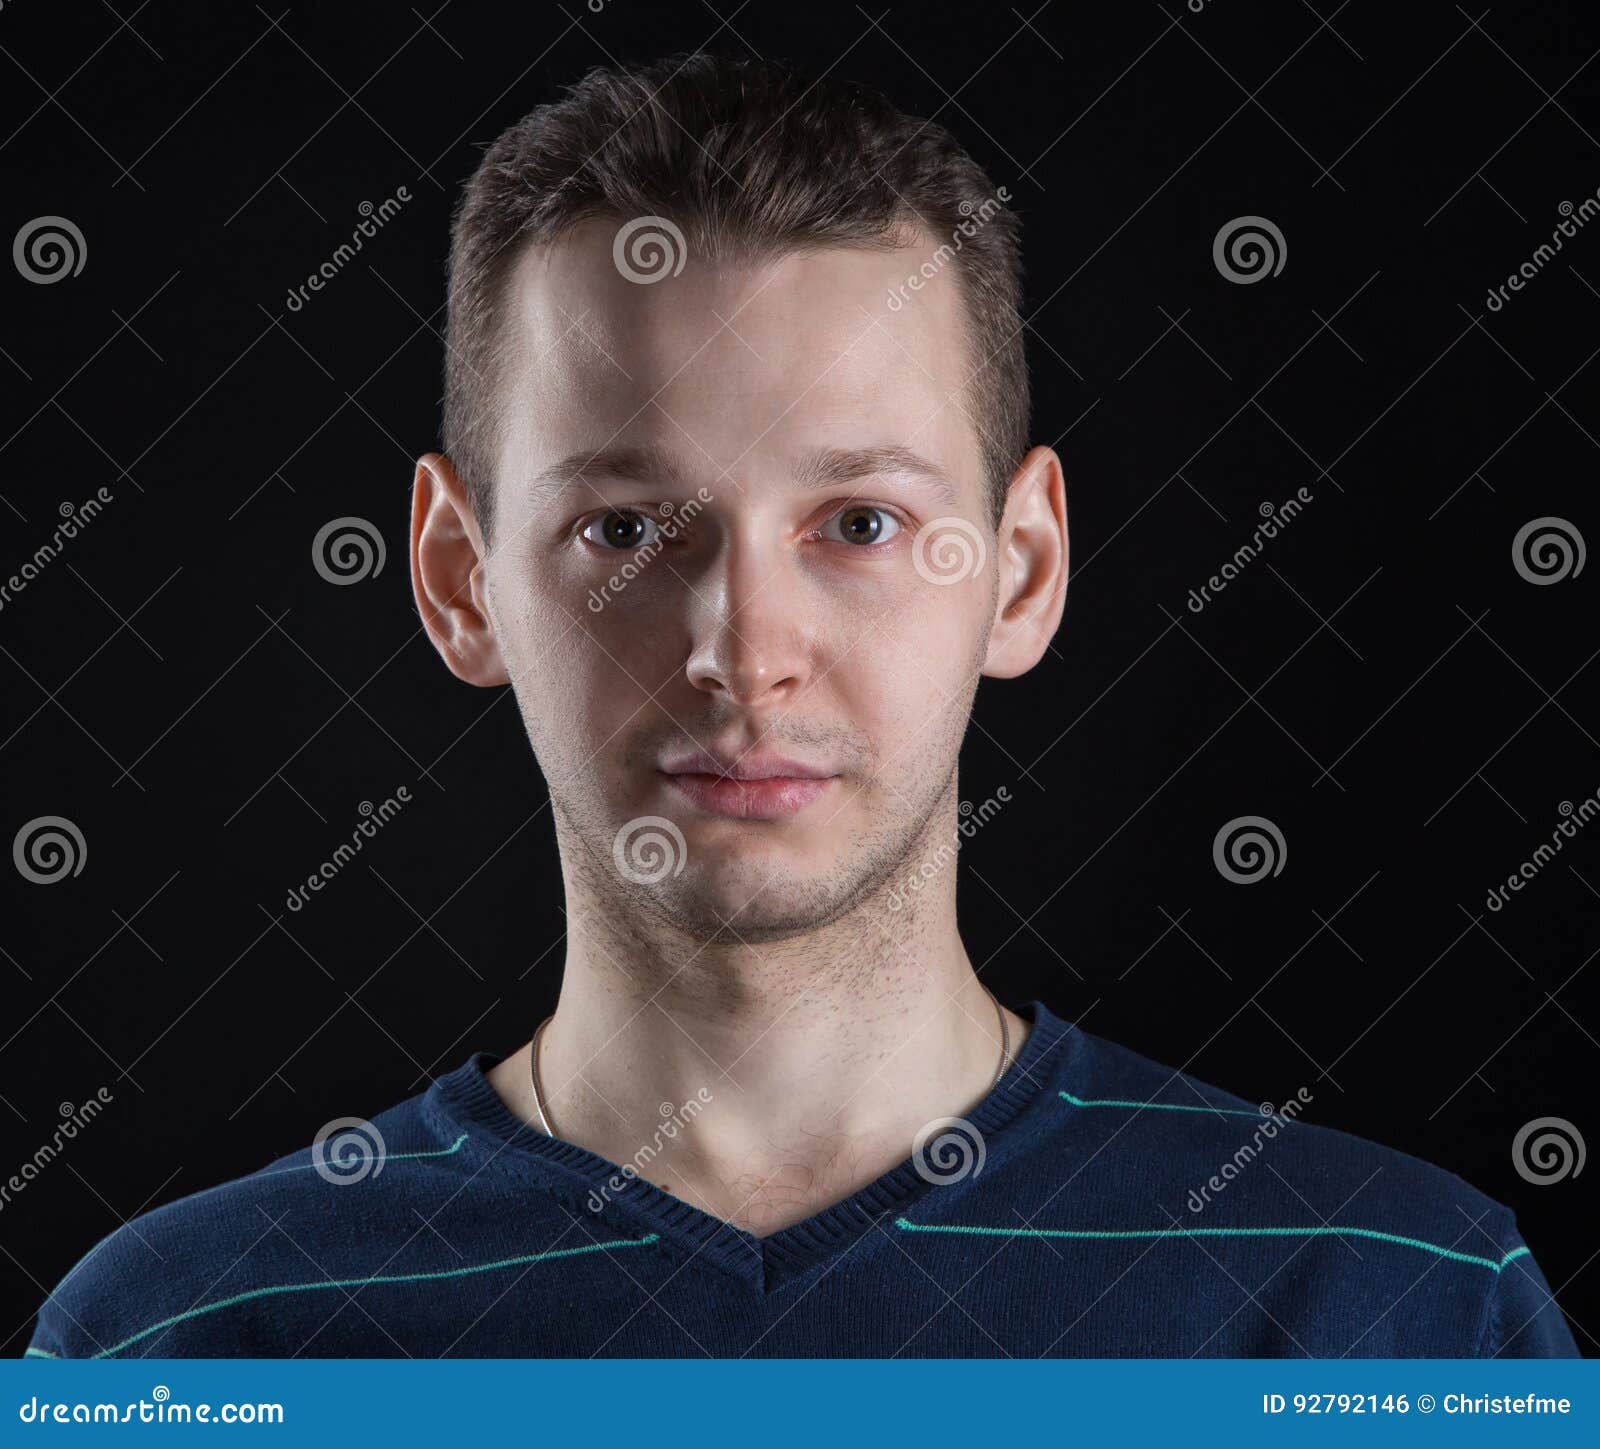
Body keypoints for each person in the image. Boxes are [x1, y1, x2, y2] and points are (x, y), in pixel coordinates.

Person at [26, 51, 1576, 1359]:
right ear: (456, 576)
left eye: (859, 523)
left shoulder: (1397, 1308)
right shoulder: (186, 1344)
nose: (744, 649)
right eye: (626, 529)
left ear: (1021, 570)